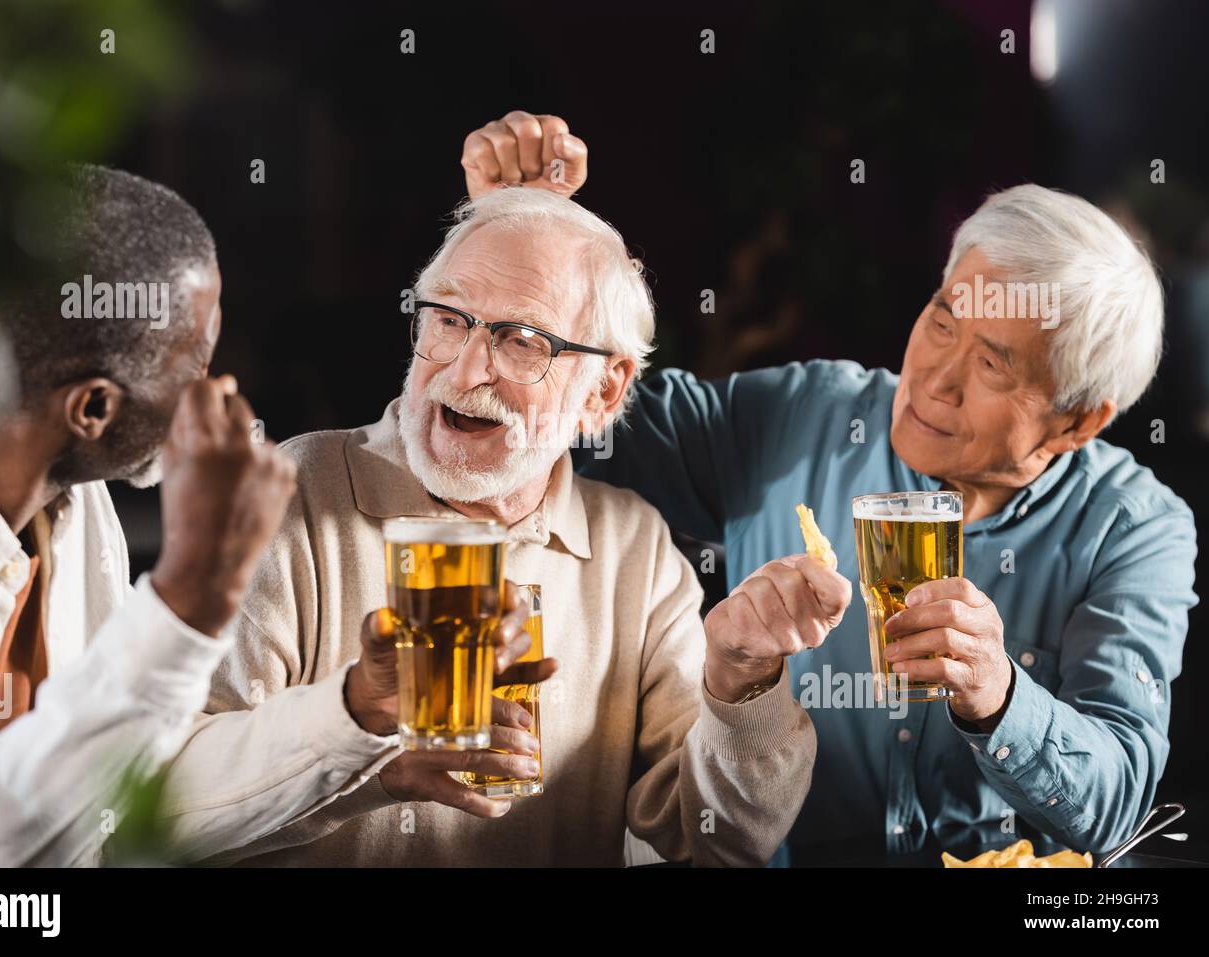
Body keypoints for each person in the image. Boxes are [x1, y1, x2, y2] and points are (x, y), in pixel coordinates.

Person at [459, 111, 1199, 859]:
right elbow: (588, 417)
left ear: (1078, 421)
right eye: (943, 320)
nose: (935, 379)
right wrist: (521, 251)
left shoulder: (1135, 526)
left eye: (993, 364)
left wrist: (1000, 695)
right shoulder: (804, 413)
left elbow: (1117, 801)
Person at [197, 135, 847, 865]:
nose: (466, 368)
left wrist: (741, 683)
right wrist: (358, 732)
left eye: (521, 341)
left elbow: (718, 843)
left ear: (604, 392)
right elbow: (162, 803)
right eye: (448, 319)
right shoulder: (293, 493)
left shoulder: (637, 548)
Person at [0, 165, 534, 865]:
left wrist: (361, 713)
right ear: (92, 409)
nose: (219, 390)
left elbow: (118, 794)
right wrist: (189, 597)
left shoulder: (75, 505)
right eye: (194, 366)